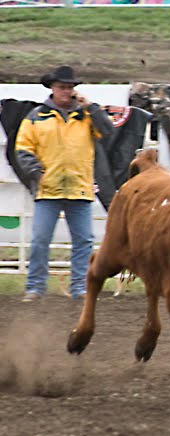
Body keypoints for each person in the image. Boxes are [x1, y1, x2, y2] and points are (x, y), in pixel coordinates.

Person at [15, 65, 113, 302]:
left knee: (83, 240)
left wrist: (91, 106)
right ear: (52, 88)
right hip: (48, 187)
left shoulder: (86, 115)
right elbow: (23, 148)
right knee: (40, 239)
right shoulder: (36, 117)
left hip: (79, 187)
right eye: (62, 87)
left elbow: (108, 131)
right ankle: (36, 286)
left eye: (70, 88)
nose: (66, 92)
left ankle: (80, 287)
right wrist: (36, 174)